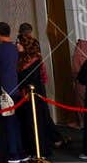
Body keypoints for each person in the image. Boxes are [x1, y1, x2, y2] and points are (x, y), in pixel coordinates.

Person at [17, 23, 61, 155]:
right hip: (37, 90)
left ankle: (37, 148)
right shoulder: (35, 56)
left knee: (33, 119)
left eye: (19, 43)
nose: (17, 45)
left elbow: (24, 77)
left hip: (29, 92)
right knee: (41, 116)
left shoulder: (25, 62)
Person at [0, 22, 27, 163]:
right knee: (16, 121)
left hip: (4, 91)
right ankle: (21, 151)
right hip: (17, 89)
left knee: (9, 122)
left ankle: (13, 153)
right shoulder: (16, 48)